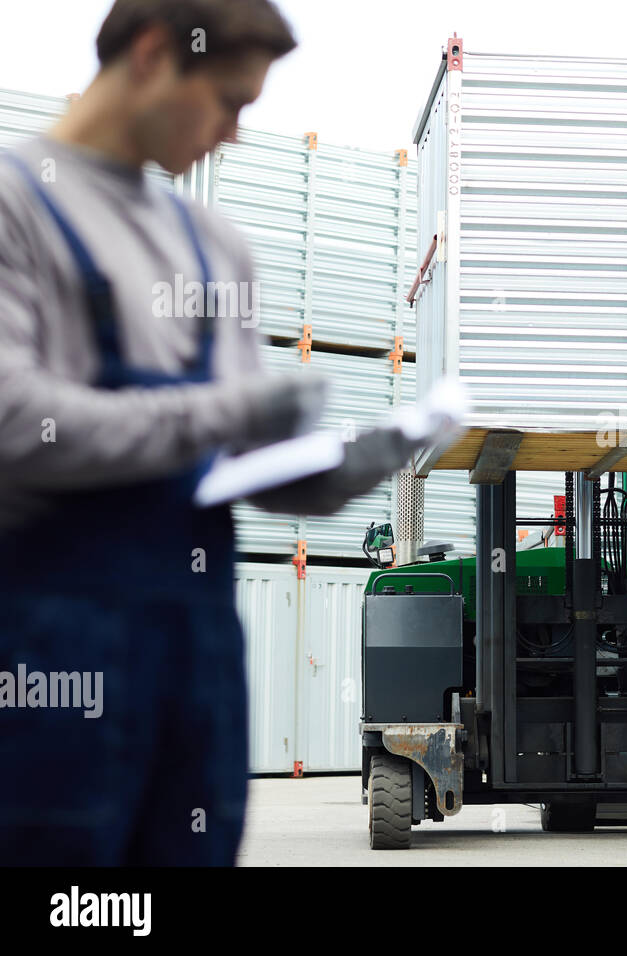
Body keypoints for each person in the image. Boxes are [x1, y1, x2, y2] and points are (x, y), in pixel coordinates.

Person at [0, 0, 419, 865]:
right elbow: (17, 421)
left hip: (195, 659)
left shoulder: (213, 246)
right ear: (154, 54)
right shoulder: (17, 204)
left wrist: (338, 469)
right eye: (229, 101)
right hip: (47, 654)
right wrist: (234, 413)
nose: (232, 133)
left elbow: (234, 463)